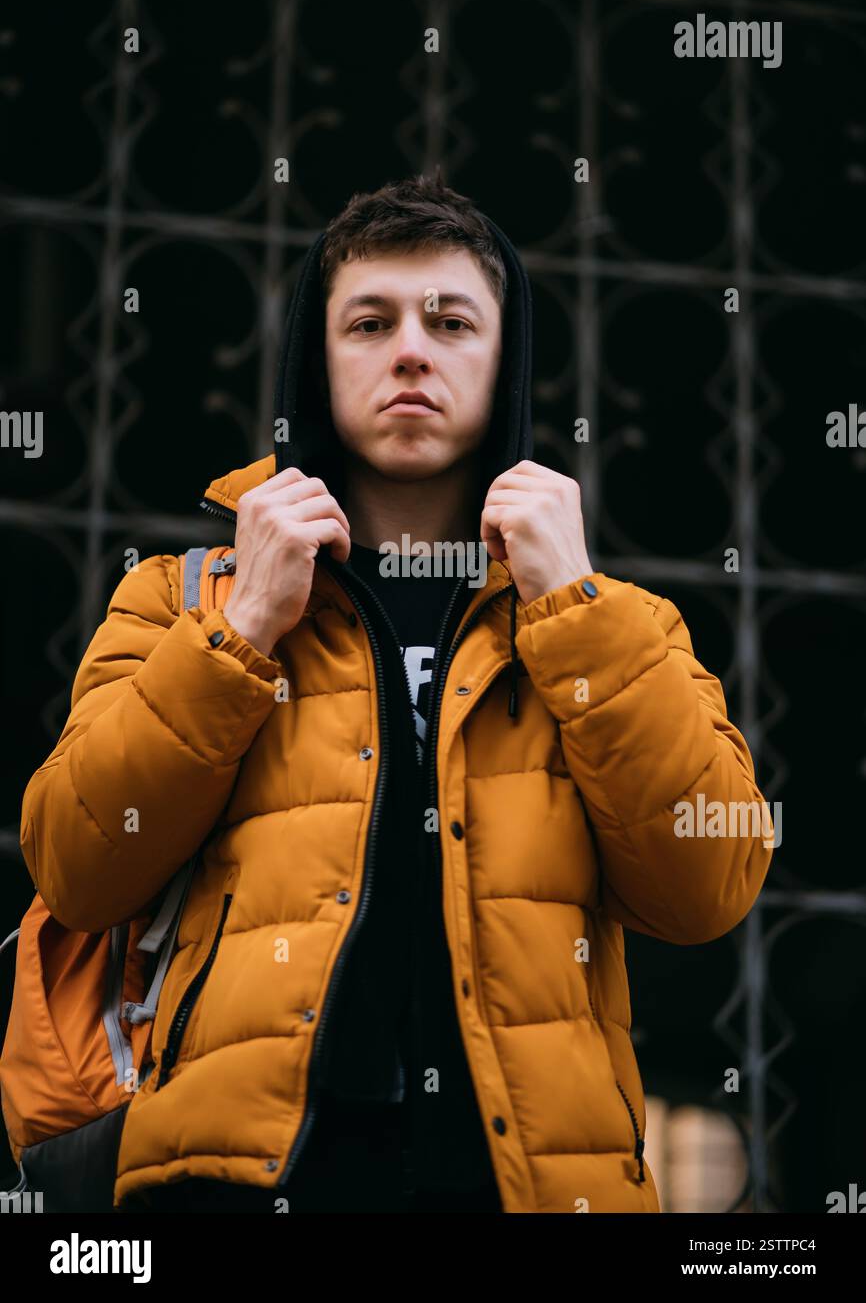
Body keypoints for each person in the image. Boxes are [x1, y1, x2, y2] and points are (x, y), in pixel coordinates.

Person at [20, 171, 775, 1214]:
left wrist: (574, 609)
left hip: (527, 1185)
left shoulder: (617, 621)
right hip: (241, 1179)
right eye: (368, 321)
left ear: (502, 360)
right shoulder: (180, 598)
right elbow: (75, 864)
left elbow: (708, 887)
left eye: (451, 320)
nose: (410, 348)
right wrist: (240, 634)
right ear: (312, 361)